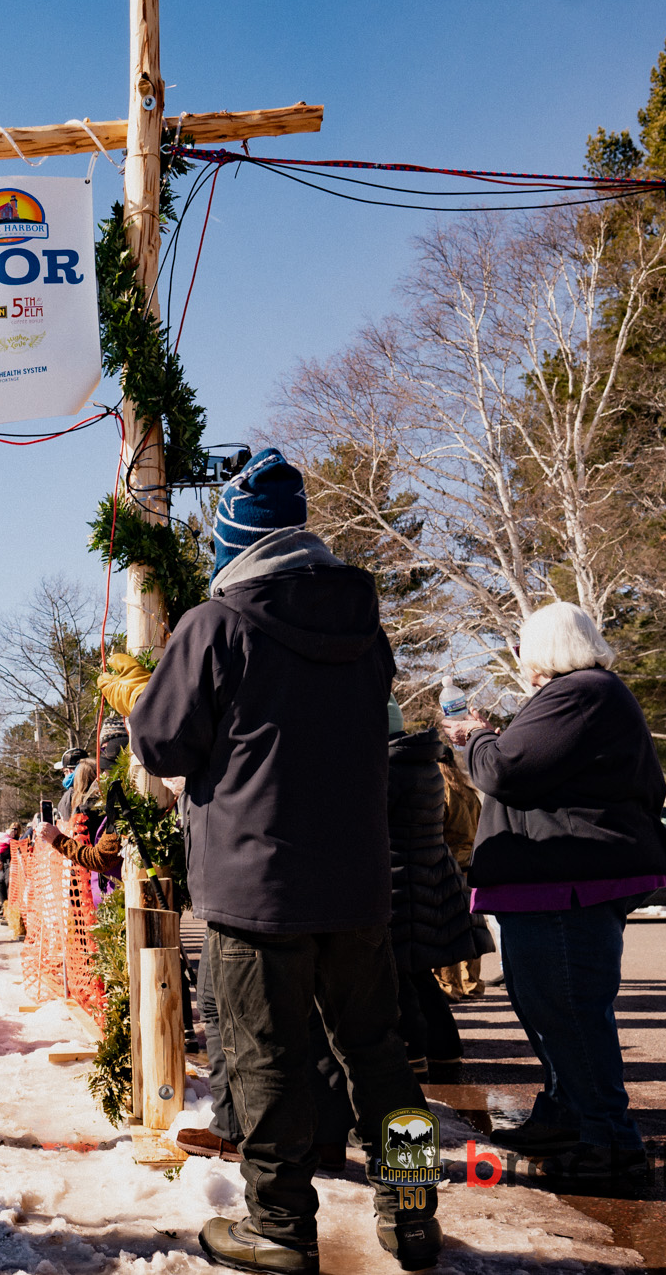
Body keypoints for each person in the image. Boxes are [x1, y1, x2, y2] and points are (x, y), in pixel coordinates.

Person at [129, 448, 438, 1275]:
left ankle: (278, 1224)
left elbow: (159, 738)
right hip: (358, 883)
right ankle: (412, 1208)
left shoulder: (217, 624)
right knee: (377, 1051)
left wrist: (138, 693)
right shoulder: (363, 625)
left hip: (257, 890)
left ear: (234, 541)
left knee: (269, 1058)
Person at [438, 602, 666, 1181]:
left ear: (545, 648)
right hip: (547, 883)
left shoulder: (583, 692)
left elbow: (506, 772)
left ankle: (612, 1142)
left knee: (569, 1008)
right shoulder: (581, 696)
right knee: (541, 1000)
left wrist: (474, 737)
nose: (518, 659)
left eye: (522, 646)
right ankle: (566, 1112)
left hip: (571, 883)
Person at [383, 703, 489, 1083]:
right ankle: (445, 1054)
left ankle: (412, 1063)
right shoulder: (420, 764)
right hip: (428, 878)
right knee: (418, 975)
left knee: (397, 977)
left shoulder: (387, 770)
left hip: (398, 886)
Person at [434, 750, 487, 1000]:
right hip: (471, 864)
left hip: (449, 864)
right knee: (469, 926)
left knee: (447, 928)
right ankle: (472, 983)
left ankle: (449, 985)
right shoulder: (469, 792)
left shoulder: (439, 790)